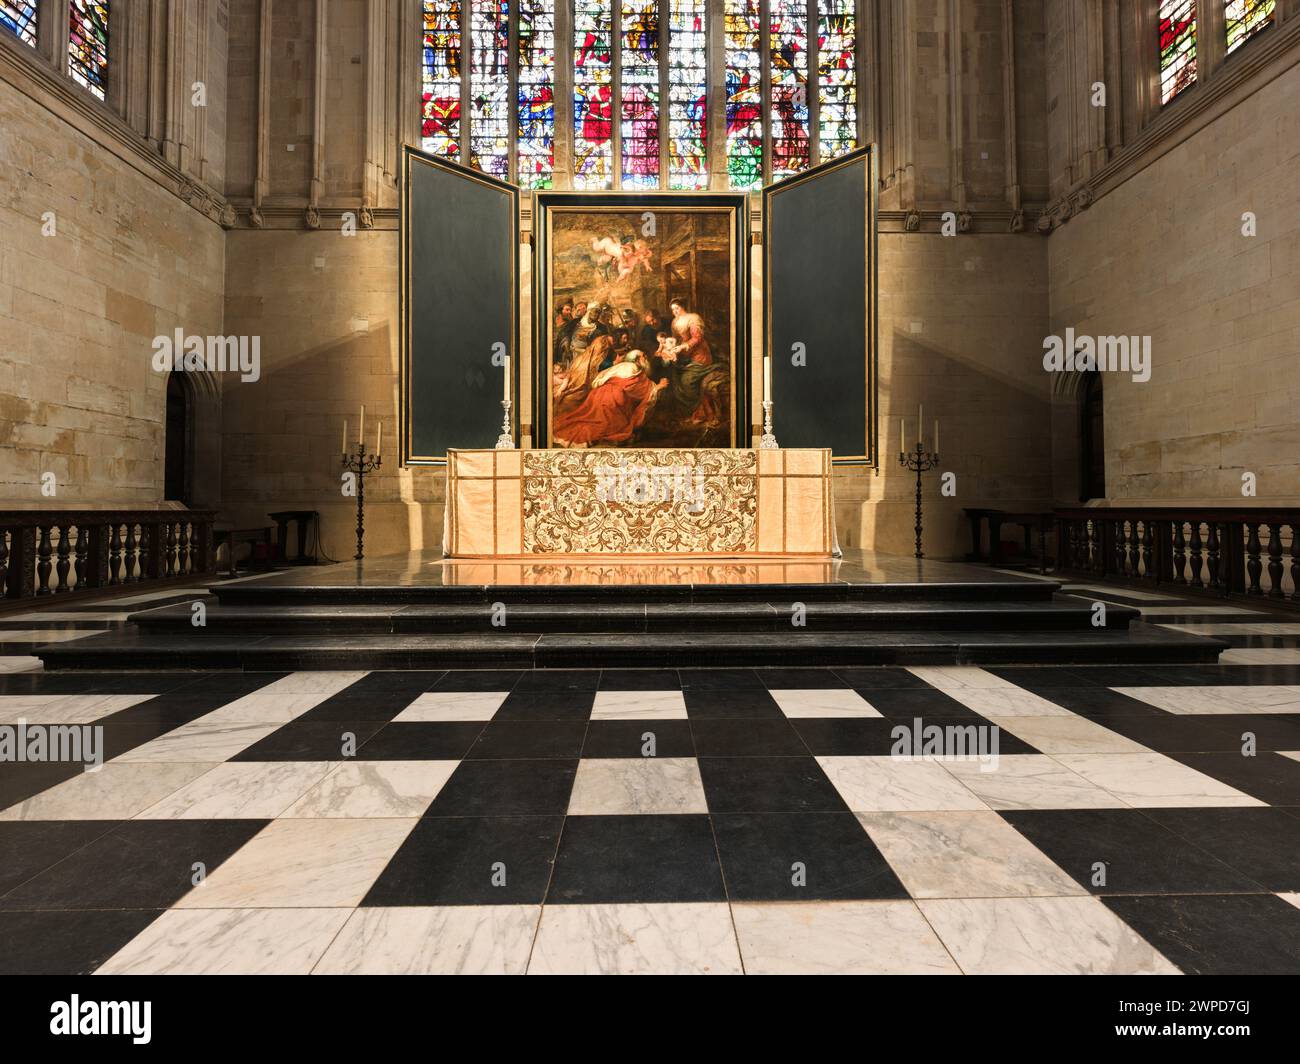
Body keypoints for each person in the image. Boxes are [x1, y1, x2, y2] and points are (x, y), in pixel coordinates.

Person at [553, 348, 667, 447]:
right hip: (612, 401)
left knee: (587, 419)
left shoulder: (622, 366)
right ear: (636, 360)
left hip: (597, 395)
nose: (646, 358)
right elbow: (638, 390)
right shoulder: (634, 368)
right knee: (606, 427)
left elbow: (598, 380)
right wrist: (657, 386)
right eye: (643, 357)